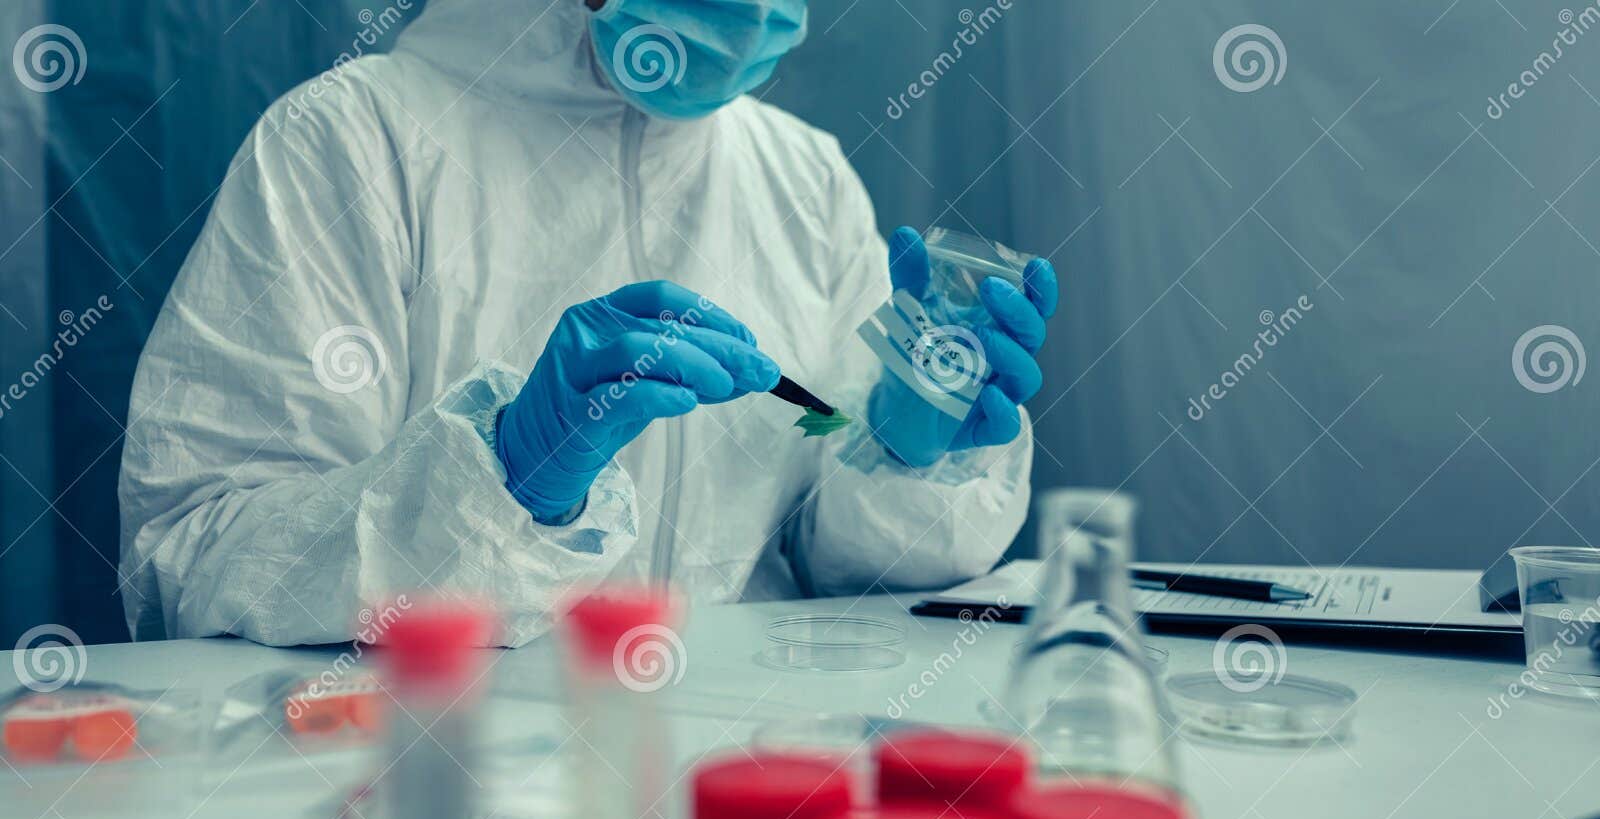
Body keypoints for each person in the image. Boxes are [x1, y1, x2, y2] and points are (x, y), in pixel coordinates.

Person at [117, 0, 1059, 646]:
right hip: (430, 798)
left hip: (732, 788)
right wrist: (503, 477)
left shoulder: (804, 179)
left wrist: (902, 455)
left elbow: (821, 573)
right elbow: (191, 559)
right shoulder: (353, 142)